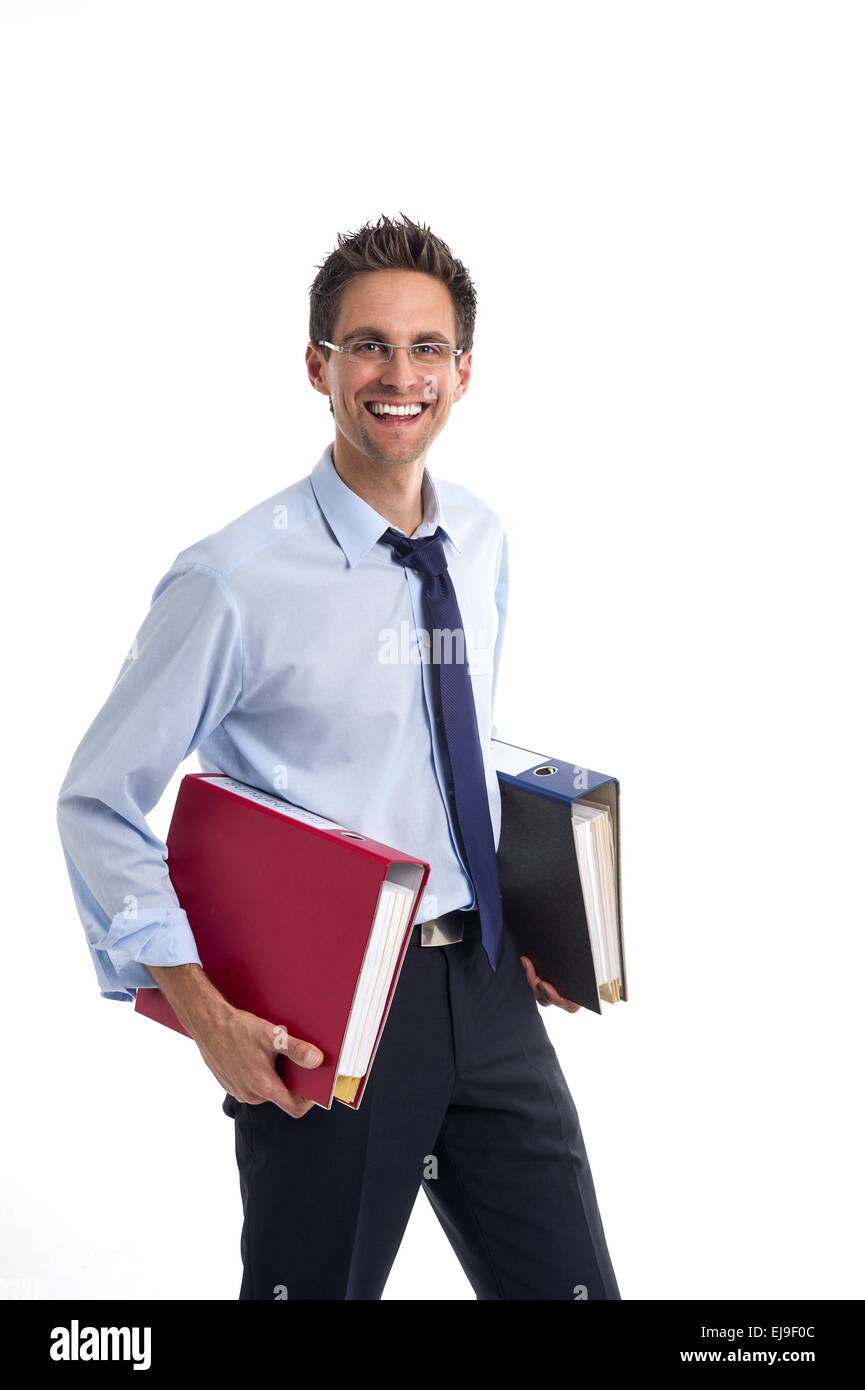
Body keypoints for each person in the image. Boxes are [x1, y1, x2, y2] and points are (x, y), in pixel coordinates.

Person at [56, 214, 621, 1301]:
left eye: (426, 348)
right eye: (368, 346)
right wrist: (206, 1012)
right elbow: (95, 802)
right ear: (317, 366)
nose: (399, 376)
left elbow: (447, 746)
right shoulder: (231, 580)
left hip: (489, 985)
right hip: (328, 1017)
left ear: (464, 371)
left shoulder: (480, 540)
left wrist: (526, 910)